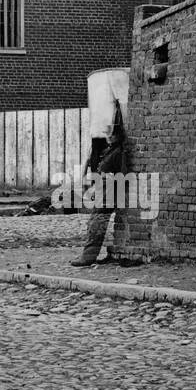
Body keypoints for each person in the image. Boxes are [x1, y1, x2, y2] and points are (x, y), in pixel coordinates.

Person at [70, 103, 130, 267]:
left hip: (109, 192)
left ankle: (88, 257)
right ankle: (88, 255)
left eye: (112, 134)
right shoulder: (110, 151)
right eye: (108, 135)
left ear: (117, 136)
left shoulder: (119, 153)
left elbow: (122, 174)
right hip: (103, 191)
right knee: (94, 222)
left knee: (97, 223)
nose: (108, 137)